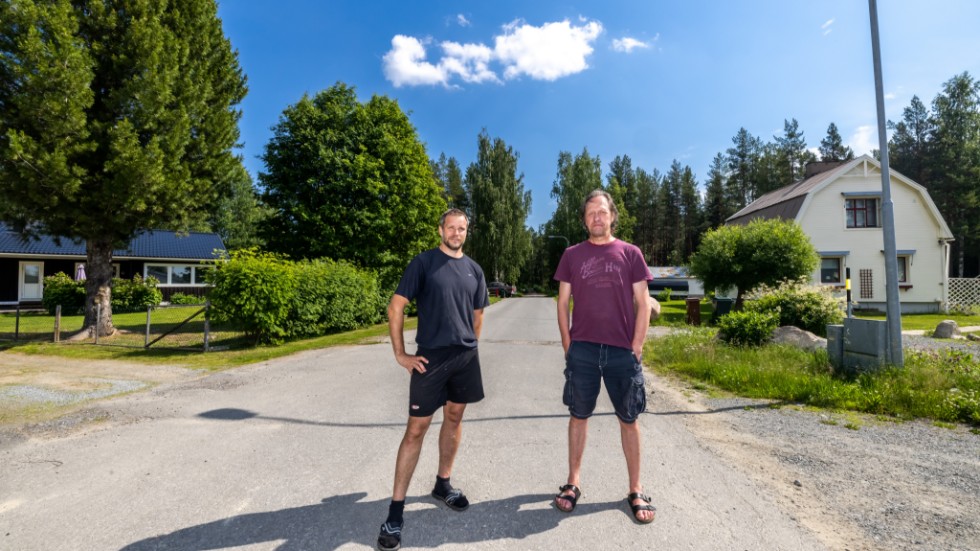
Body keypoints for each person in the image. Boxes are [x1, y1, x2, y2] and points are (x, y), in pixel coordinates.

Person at [377, 208, 490, 551]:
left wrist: (470, 346)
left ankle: (443, 484)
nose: (457, 233)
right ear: (440, 229)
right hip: (430, 359)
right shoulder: (423, 263)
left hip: (465, 359)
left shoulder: (474, 270)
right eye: (452, 227)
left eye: (463, 228)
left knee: (454, 417)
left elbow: (478, 313)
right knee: (416, 428)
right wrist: (401, 355)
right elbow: (395, 307)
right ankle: (395, 511)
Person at [552, 189, 656, 524]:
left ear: (612, 215)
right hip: (582, 350)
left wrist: (637, 344)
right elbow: (562, 302)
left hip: (621, 352)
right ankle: (573, 483)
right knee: (578, 415)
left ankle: (636, 489)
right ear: (584, 219)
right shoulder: (571, 255)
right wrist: (568, 344)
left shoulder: (630, 253)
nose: (597, 217)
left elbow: (644, 302)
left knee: (629, 419)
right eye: (590, 213)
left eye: (602, 212)